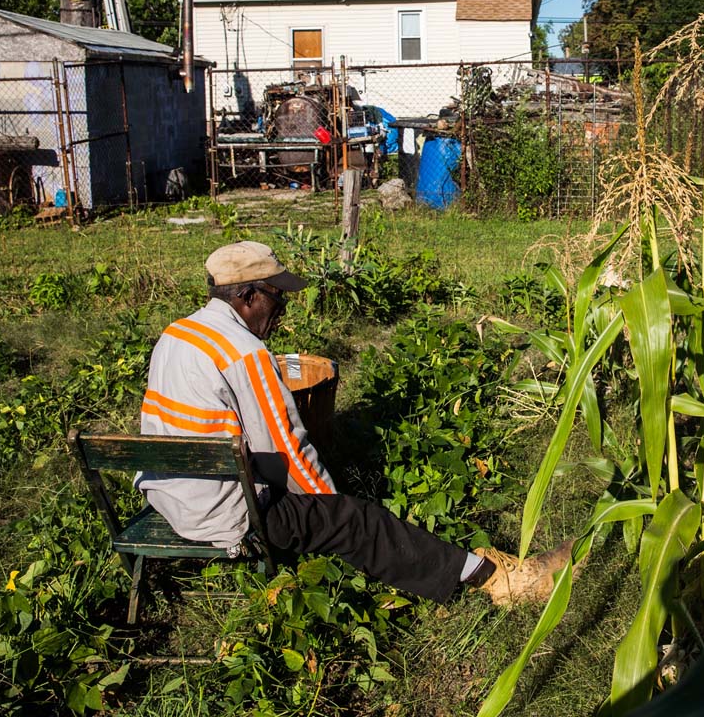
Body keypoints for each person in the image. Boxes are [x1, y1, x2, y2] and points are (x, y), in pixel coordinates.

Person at [136, 240, 567, 605]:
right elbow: (287, 445)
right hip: (225, 516)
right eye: (277, 295)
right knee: (354, 519)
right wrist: (332, 510)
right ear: (248, 297)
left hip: (171, 496)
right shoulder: (243, 353)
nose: (283, 307)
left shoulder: (178, 334)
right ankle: (493, 578)